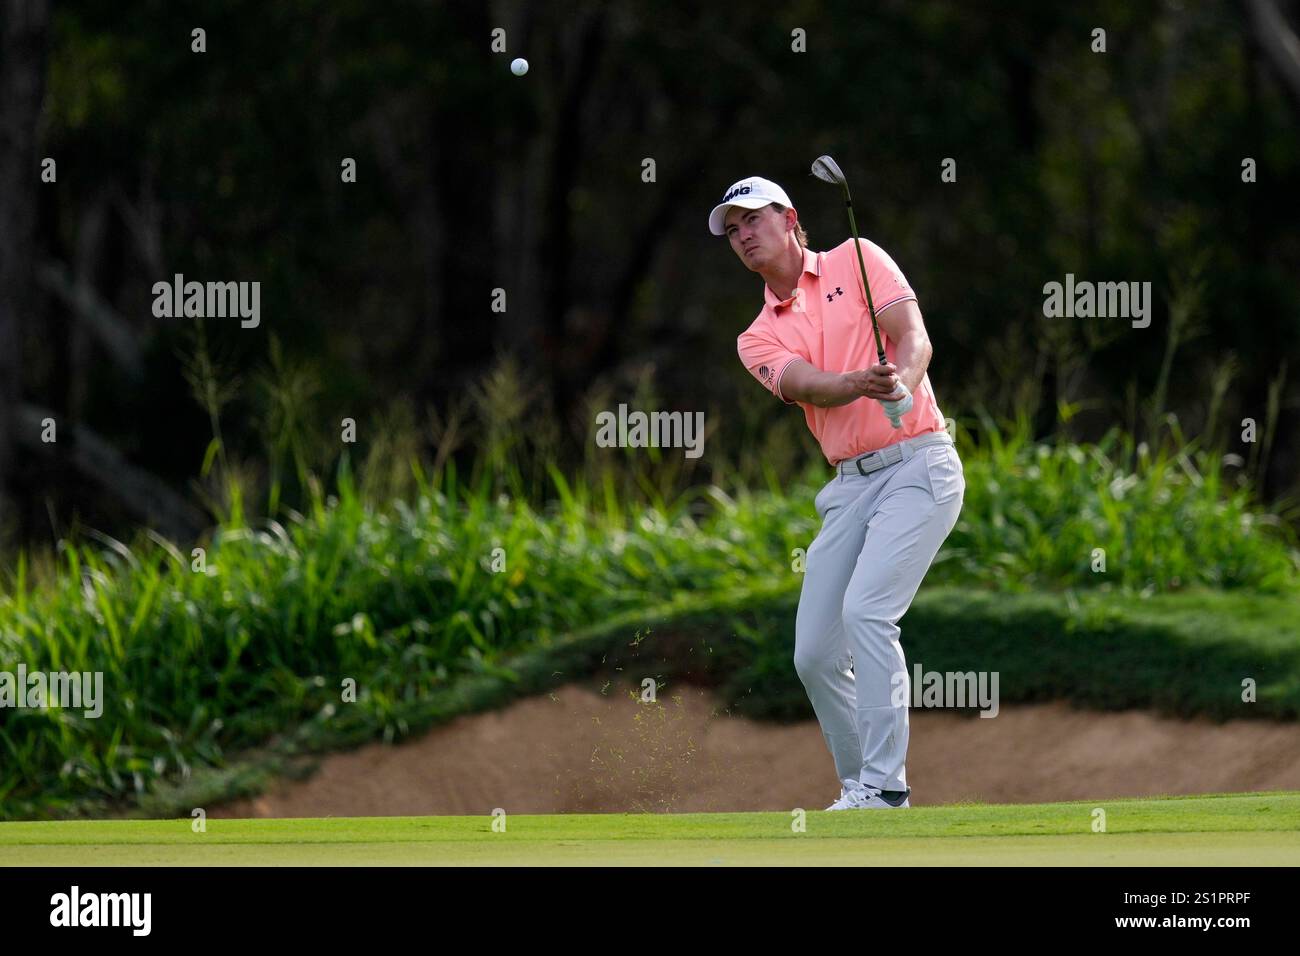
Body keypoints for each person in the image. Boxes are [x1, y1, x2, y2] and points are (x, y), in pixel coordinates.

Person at [711, 175, 965, 810]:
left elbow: (913, 338)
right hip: (850, 487)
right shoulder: (755, 338)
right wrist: (862, 381)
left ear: (790, 218)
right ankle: (862, 786)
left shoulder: (861, 257)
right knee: (816, 652)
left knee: (868, 613)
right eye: (733, 229)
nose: (743, 236)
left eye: (753, 220)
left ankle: (886, 785)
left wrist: (901, 381)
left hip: (918, 467)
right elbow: (809, 386)